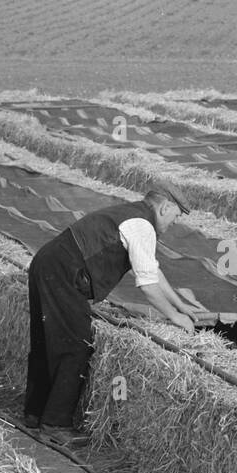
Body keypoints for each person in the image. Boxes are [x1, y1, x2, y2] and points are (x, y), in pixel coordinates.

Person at [24, 182, 199, 445]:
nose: (173, 224)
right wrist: (175, 318)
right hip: (65, 273)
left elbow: (153, 269)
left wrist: (180, 305)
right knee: (76, 347)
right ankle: (55, 425)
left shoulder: (133, 215)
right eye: (176, 217)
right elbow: (148, 286)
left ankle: (34, 414)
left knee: (46, 342)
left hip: (48, 262)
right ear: (165, 207)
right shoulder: (143, 226)